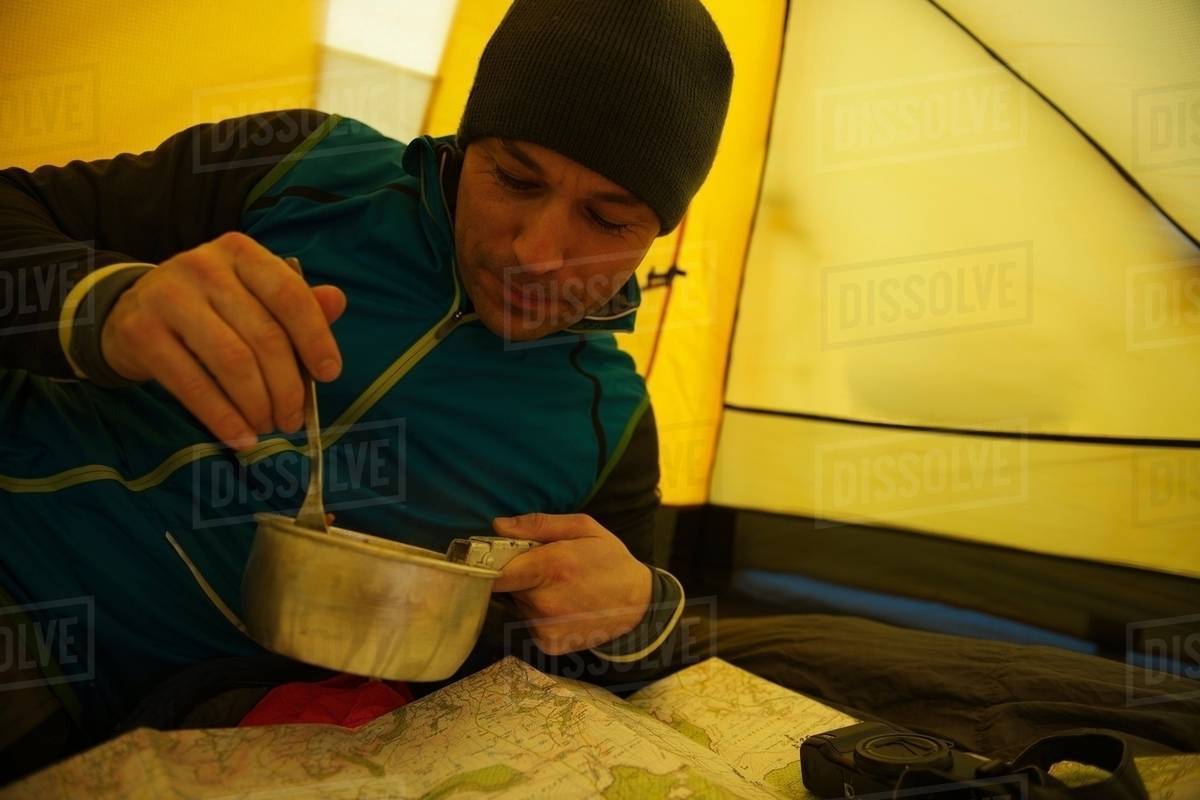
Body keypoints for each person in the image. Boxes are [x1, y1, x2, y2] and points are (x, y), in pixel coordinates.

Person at [0, 0, 734, 777]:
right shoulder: (304, 166)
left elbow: (607, 675)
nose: (538, 252)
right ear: (465, 146)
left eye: (609, 220)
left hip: (202, 728)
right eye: (514, 179)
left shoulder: (608, 421)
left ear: (662, 232)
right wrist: (107, 304)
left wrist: (635, 612)